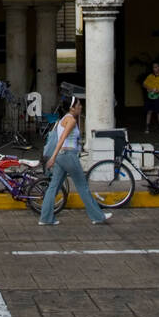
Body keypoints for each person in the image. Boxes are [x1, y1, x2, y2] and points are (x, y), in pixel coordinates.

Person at [38, 94, 112, 227]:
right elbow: (61, 140)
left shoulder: (63, 119)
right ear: (72, 108)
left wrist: (55, 157)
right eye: (78, 105)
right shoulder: (71, 120)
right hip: (68, 155)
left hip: (62, 156)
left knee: (53, 187)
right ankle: (98, 216)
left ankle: (45, 218)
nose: (81, 107)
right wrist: (53, 157)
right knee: (83, 187)